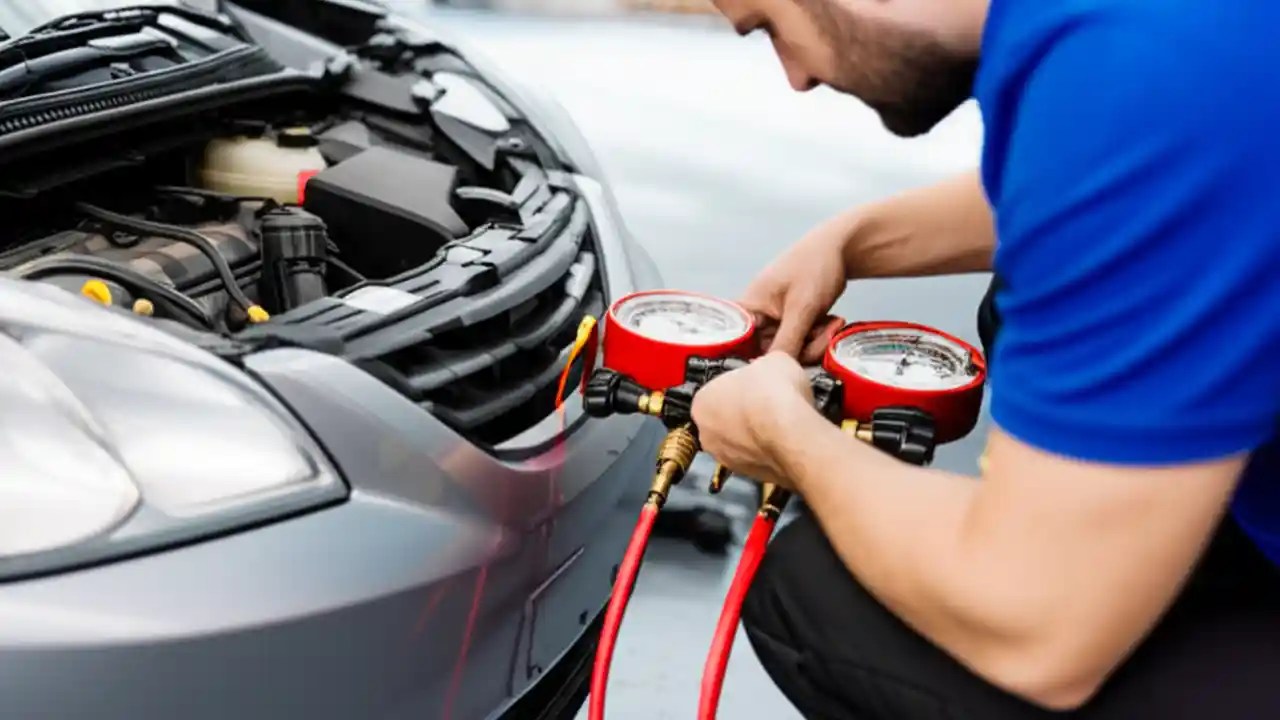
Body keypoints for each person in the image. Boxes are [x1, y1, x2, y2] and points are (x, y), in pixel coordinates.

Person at [688, 0, 1280, 717]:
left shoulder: (1137, 72)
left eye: (769, 25)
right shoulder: (1150, 33)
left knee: (821, 597)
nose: (796, 77)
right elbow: (1117, 179)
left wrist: (788, 438)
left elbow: (1035, 625)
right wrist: (851, 241)